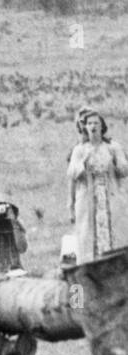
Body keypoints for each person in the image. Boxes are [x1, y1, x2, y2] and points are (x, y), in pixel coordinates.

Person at [68, 109, 128, 264]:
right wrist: (85, 159)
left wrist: (118, 164)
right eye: (89, 123)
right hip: (88, 195)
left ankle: (114, 264)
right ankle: (91, 267)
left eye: (96, 123)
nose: (93, 126)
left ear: (102, 126)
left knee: (114, 229)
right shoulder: (80, 149)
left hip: (110, 193)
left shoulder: (112, 147)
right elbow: (73, 173)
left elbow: (124, 170)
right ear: (85, 127)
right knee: (87, 232)